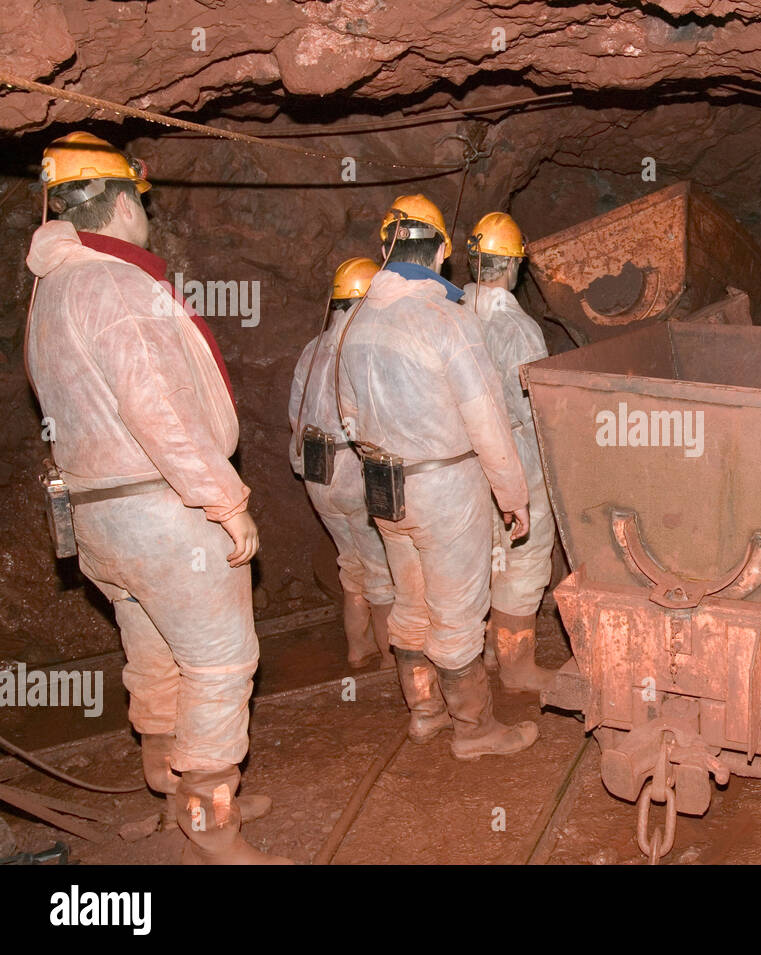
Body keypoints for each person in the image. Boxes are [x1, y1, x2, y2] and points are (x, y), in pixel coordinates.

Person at [26, 132, 288, 862]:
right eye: (138, 201)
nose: (145, 213)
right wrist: (223, 496)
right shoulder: (114, 284)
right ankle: (212, 829)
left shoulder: (50, 292)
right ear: (115, 203)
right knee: (218, 662)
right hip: (162, 507)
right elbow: (158, 410)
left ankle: (176, 794)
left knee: (154, 652)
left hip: (99, 515)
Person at [337, 195, 539, 758]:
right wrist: (513, 494)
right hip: (445, 489)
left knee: (410, 602)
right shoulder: (447, 320)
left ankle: (425, 712)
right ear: (444, 252)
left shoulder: (356, 321)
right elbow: (487, 419)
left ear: (385, 247)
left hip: (385, 488)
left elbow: (347, 414)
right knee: (456, 611)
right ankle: (475, 730)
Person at [462, 212, 563, 693]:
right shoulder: (516, 328)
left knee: (486, 552)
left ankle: (485, 648)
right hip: (518, 450)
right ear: (513, 267)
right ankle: (518, 668)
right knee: (523, 552)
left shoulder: (454, 312)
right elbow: (537, 402)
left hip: (466, 457)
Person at [289, 257, 396, 671]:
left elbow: (295, 415)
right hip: (354, 471)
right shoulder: (364, 349)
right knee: (382, 570)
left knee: (350, 563)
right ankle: (390, 659)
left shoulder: (311, 350)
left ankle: (358, 647)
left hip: (317, 472)